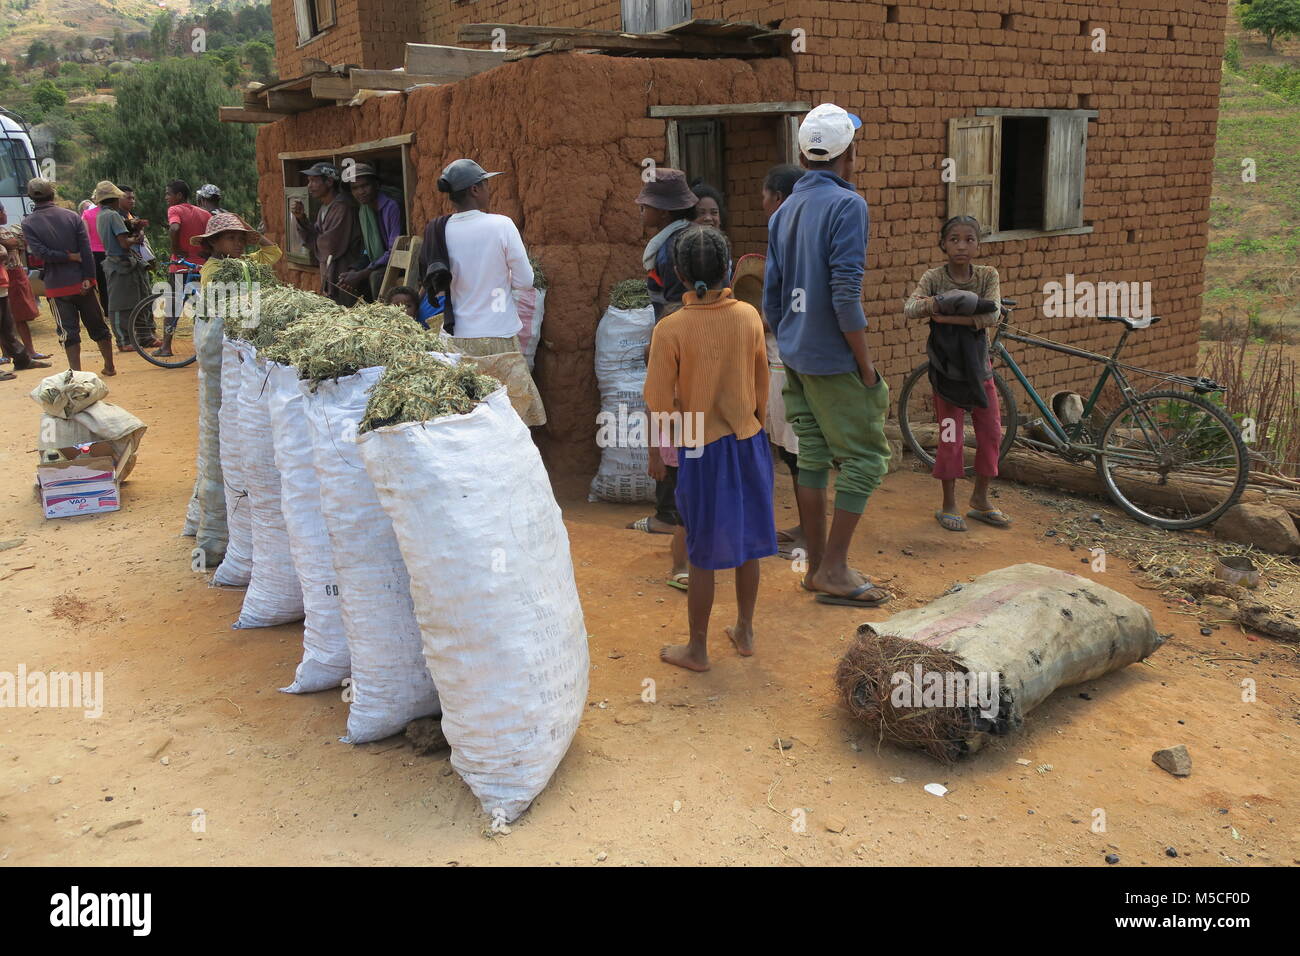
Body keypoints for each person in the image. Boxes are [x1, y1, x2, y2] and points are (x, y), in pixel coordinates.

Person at [763, 103, 892, 608]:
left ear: (803, 152)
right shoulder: (847, 206)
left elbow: (772, 296)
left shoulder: (785, 210)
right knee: (866, 458)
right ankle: (834, 568)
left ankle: (816, 566)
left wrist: (790, 342)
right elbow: (845, 293)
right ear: (849, 155)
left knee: (812, 455)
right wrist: (862, 363)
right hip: (832, 357)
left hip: (793, 354)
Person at [645, 225, 775, 672]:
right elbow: (762, 382)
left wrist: (663, 449)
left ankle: (697, 649)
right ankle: (745, 630)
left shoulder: (671, 329)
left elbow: (660, 403)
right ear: (727, 269)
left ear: (678, 272)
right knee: (750, 543)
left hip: (700, 448)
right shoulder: (748, 318)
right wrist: (752, 422)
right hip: (749, 441)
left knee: (701, 551)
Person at [418, 158, 545, 425]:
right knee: (505, 418)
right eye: (485, 184)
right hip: (497, 337)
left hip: (455, 339)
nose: (489, 189)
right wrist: (502, 276)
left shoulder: (439, 229)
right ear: (475, 190)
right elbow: (525, 282)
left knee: (464, 419)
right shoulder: (501, 225)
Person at [904, 215, 1008, 532]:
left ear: (978, 244)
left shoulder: (988, 275)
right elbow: (909, 308)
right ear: (944, 244)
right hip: (946, 367)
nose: (962, 245)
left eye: (969, 239)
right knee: (950, 434)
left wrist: (947, 318)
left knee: (991, 431)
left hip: (978, 366)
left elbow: (992, 314)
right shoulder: (934, 277)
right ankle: (949, 503)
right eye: (954, 239)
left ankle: (980, 499)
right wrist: (938, 301)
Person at [626, 168, 697, 589]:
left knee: (671, 424)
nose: (640, 209)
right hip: (683, 345)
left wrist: (662, 348)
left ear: (662, 209)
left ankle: (672, 517)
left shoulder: (672, 248)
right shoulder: (678, 241)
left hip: (676, 346)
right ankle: (674, 513)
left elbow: (675, 305)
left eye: (645, 204)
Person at [758, 163, 805, 557]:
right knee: (791, 449)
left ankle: (810, 531)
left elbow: (784, 304)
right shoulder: (794, 237)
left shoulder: (788, 240)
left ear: (776, 198)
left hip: (788, 358)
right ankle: (805, 526)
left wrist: (761, 321)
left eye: (764, 195)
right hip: (785, 358)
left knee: (799, 449)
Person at [21, 178, 115, 376]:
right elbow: (86, 250)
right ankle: (109, 366)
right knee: (98, 325)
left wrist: (65, 257)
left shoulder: (28, 223)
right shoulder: (72, 216)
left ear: (30, 197)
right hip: (82, 281)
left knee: (68, 332)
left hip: (56, 286)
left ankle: (76, 372)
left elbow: (40, 253)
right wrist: (89, 278)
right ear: (52, 194)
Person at [96, 180, 155, 354]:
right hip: (120, 262)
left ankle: (143, 336)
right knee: (122, 304)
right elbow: (123, 243)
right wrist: (136, 238)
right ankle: (124, 340)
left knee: (138, 298)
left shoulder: (102, 215)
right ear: (114, 199)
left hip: (121, 262)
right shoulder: (113, 216)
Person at [291, 162, 362, 305]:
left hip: (345, 276)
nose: (309, 186)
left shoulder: (342, 207)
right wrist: (301, 218)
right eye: (309, 181)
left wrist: (315, 237)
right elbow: (315, 237)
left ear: (329, 182)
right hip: (331, 277)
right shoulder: (325, 207)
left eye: (314, 181)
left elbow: (329, 246)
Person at [340, 163, 402, 302]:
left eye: (365, 186)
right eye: (355, 188)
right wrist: (355, 271)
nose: (361, 191)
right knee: (346, 279)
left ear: (376, 185)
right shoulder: (364, 211)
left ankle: (382, 318)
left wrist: (363, 273)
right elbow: (367, 251)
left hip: (396, 262)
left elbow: (394, 250)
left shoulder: (391, 207)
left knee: (375, 277)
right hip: (377, 262)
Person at [0, 205, 50, 359]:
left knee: (17, 317)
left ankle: (26, 351)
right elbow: (11, 246)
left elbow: (18, 245)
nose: (5, 214)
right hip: (8, 277)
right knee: (6, 319)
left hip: (14, 276)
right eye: (3, 211)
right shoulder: (7, 232)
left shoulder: (6, 231)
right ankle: (12, 353)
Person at [191, 211, 282, 288]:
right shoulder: (212, 270)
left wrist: (249, 228)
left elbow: (274, 253)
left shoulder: (246, 261)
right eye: (231, 238)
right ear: (213, 241)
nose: (239, 243)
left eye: (242, 239)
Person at [80, 194, 109, 314]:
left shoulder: (86, 214)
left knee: (100, 285)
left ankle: (105, 310)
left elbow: (85, 237)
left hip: (94, 253)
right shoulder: (111, 213)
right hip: (110, 251)